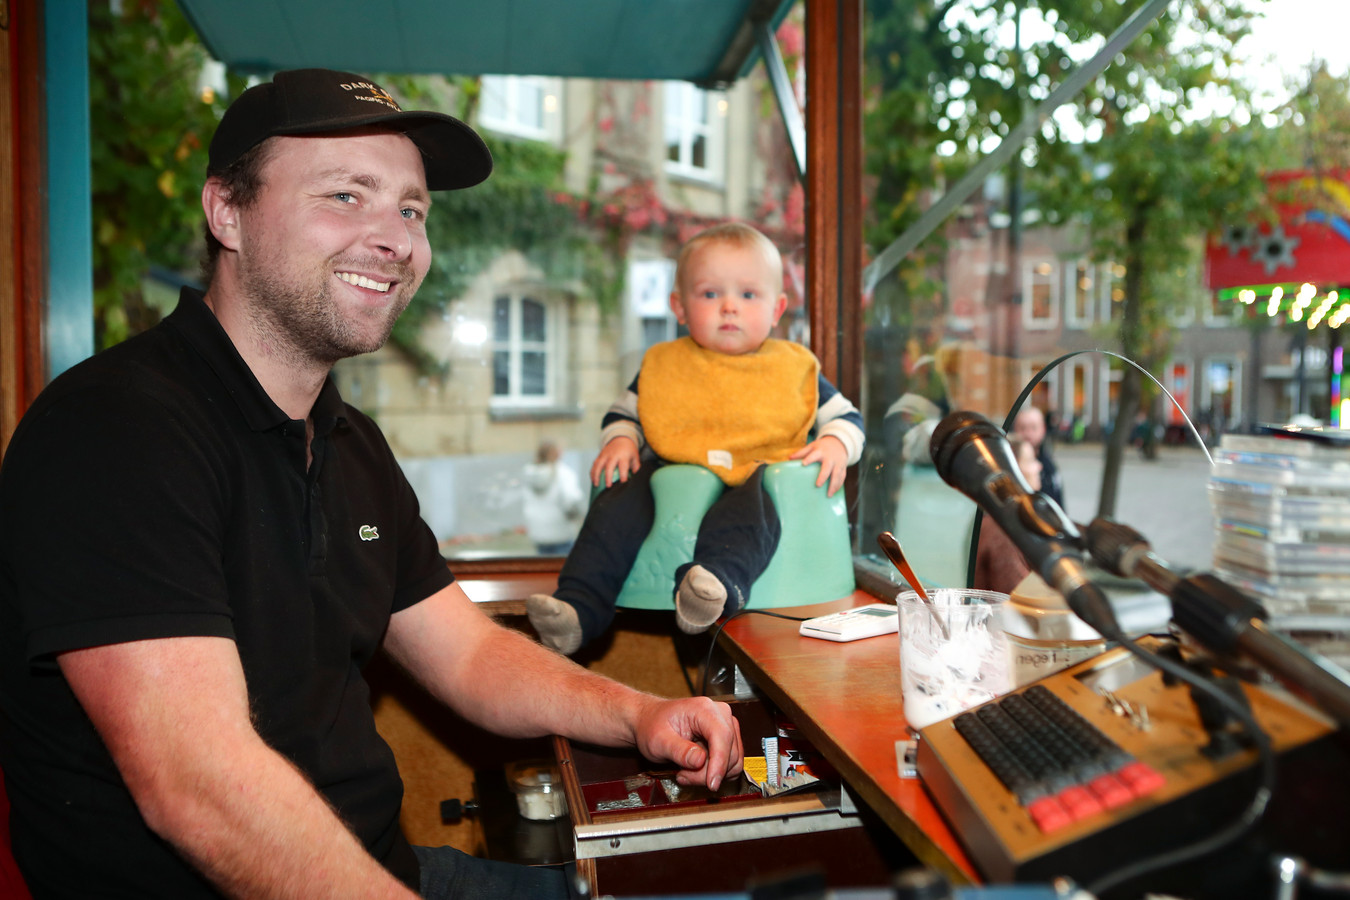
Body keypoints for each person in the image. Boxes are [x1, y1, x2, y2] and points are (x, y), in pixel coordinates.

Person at [0, 69, 743, 899]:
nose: (396, 239)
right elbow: (198, 789)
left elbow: (468, 657)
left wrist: (636, 714)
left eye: (411, 209)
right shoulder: (114, 429)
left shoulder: (350, 444)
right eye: (346, 195)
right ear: (227, 212)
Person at [526, 223, 865, 655]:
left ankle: (710, 586)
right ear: (679, 306)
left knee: (753, 511)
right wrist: (622, 440)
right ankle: (577, 607)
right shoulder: (665, 365)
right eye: (709, 294)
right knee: (616, 499)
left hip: (757, 475)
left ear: (777, 308)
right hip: (669, 473)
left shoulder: (794, 368)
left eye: (747, 295)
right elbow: (625, 413)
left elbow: (847, 418)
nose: (728, 307)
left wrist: (836, 442)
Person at [972, 436, 1041, 593]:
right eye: (1030, 460)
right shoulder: (1004, 529)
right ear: (1013, 470)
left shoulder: (1000, 518)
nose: (1038, 466)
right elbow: (1017, 595)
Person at [522, 440, 586, 555]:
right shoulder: (563, 473)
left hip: (538, 532)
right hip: (561, 531)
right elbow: (571, 499)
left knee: (543, 568)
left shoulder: (530, 474)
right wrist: (578, 516)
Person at [1012, 404, 1064, 508]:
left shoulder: (1049, 466)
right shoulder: (1008, 465)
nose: (1028, 433)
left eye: (1033, 427)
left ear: (1043, 429)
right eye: (1022, 428)